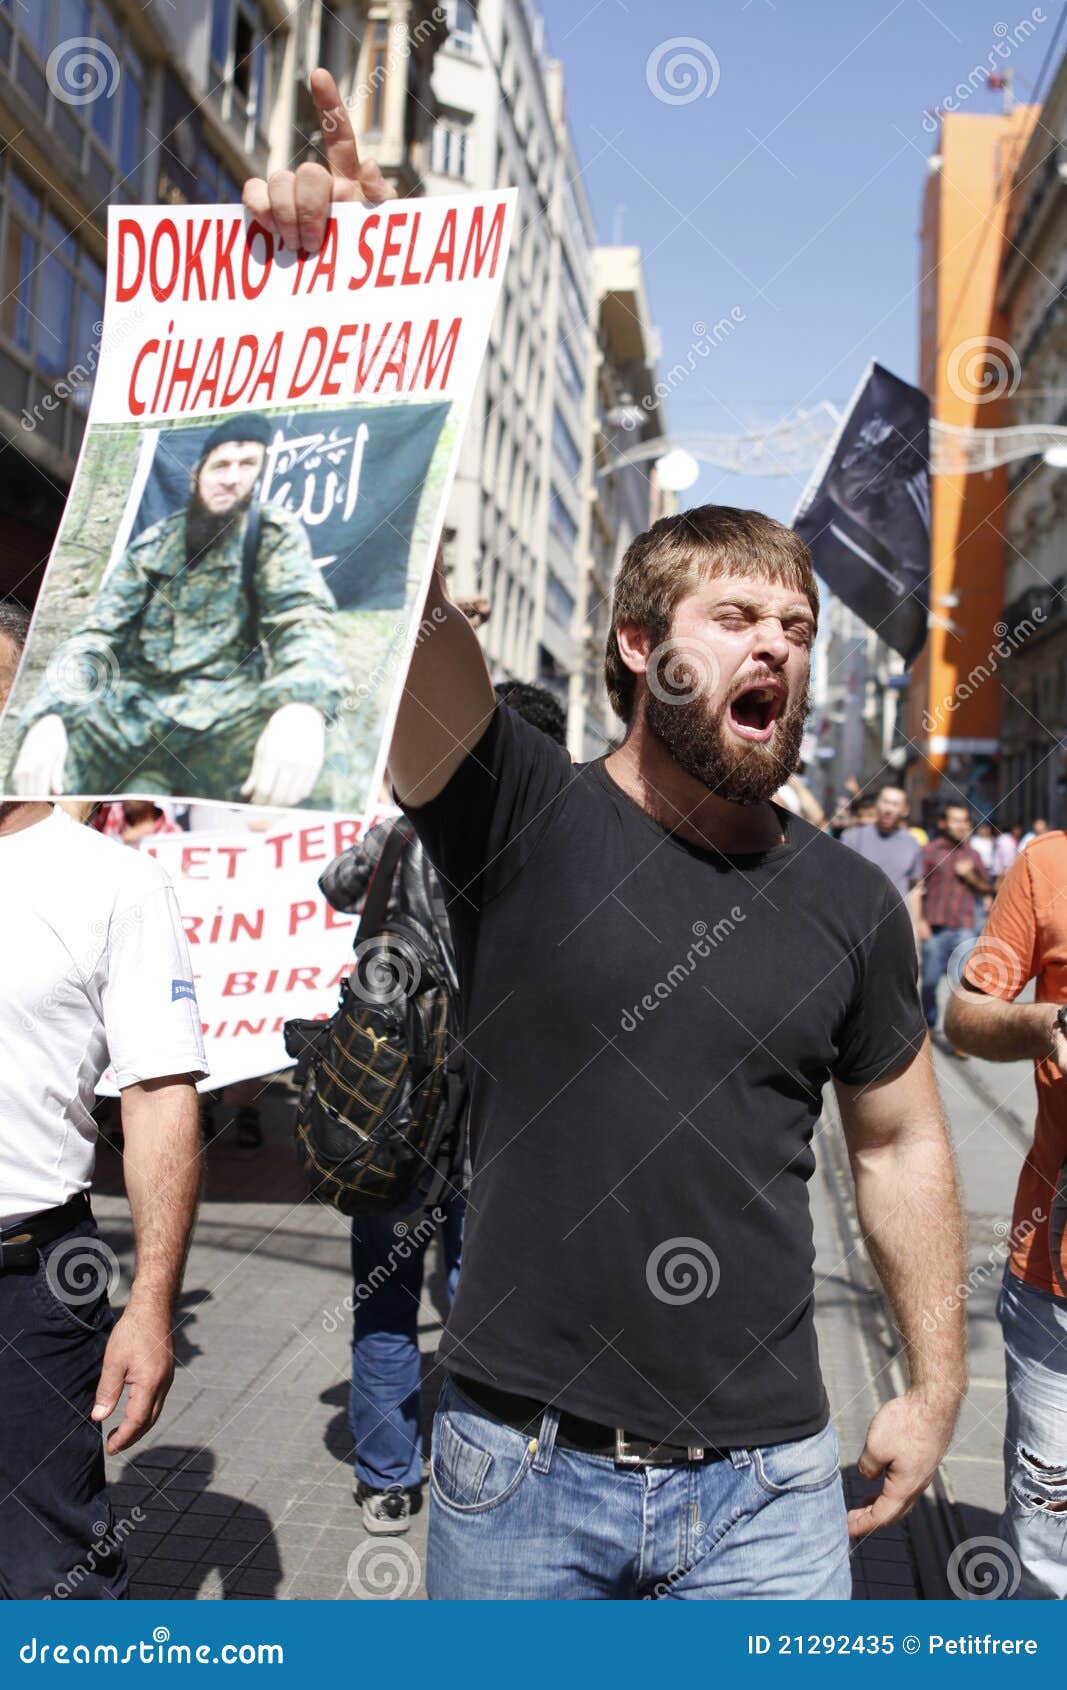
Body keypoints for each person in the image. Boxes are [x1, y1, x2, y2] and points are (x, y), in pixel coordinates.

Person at [246, 75, 965, 1603]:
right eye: (735, 615)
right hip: (515, 1475)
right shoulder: (516, 807)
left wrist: (930, 1376)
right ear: (640, 648)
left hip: (770, 1494)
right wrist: (366, 309)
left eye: (795, 622)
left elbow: (897, 1137)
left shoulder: (848, 902)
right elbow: (396, 633)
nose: (777, 637)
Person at [323, 673, 566, 1536]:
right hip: (498, 1099)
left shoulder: (404, 829)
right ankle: (485, 1463)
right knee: (483, 1286)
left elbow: (333, 882)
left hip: (389, 1097)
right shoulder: (547, 837)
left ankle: (389, 1477)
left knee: (384, 1293)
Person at [0, 601, 207, 1599]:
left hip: (34, 1281)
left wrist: (153, 1305)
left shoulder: (111, 882)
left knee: (52, 1573)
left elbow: (160, 1097)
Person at [11, 415, 348, 807]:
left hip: (226, 718)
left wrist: (300, 704)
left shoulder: (273, 536)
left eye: (247, 466)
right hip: (135, 716)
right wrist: (53, 713)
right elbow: (96, 635)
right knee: (33, 760)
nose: (231, 478)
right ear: (197, 475)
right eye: (221, 465)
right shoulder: (153, 546)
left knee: (321, 772)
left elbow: (301, 618)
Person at [944, 830, 1067, 1597]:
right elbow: (963, 1015)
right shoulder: (1047, 865)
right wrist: (1042, 1024)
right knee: (1046, 1549)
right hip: (1053, 1283)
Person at [916, 803, 991, 1045]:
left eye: (964, 821)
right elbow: (918, 888)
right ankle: (927, 1026)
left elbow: (987, 889)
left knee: (962, 984)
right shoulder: (929, 851)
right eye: (955, 820)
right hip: (935, 927)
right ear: (942, 823)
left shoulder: (973, 855)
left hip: (964, 927)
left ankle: (958, 1035)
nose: (961, 826)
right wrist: (920, 922)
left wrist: (970, 876)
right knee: (928, 982)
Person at [842, 784, 923, 918]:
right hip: (856, 917)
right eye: (885, 802)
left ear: (905, 810)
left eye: (895, 804)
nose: (888, 809)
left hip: (893, 921)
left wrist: (915, 926)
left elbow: (914, 889)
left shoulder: (912, 844)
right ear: (877, 804)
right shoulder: (853, 837)